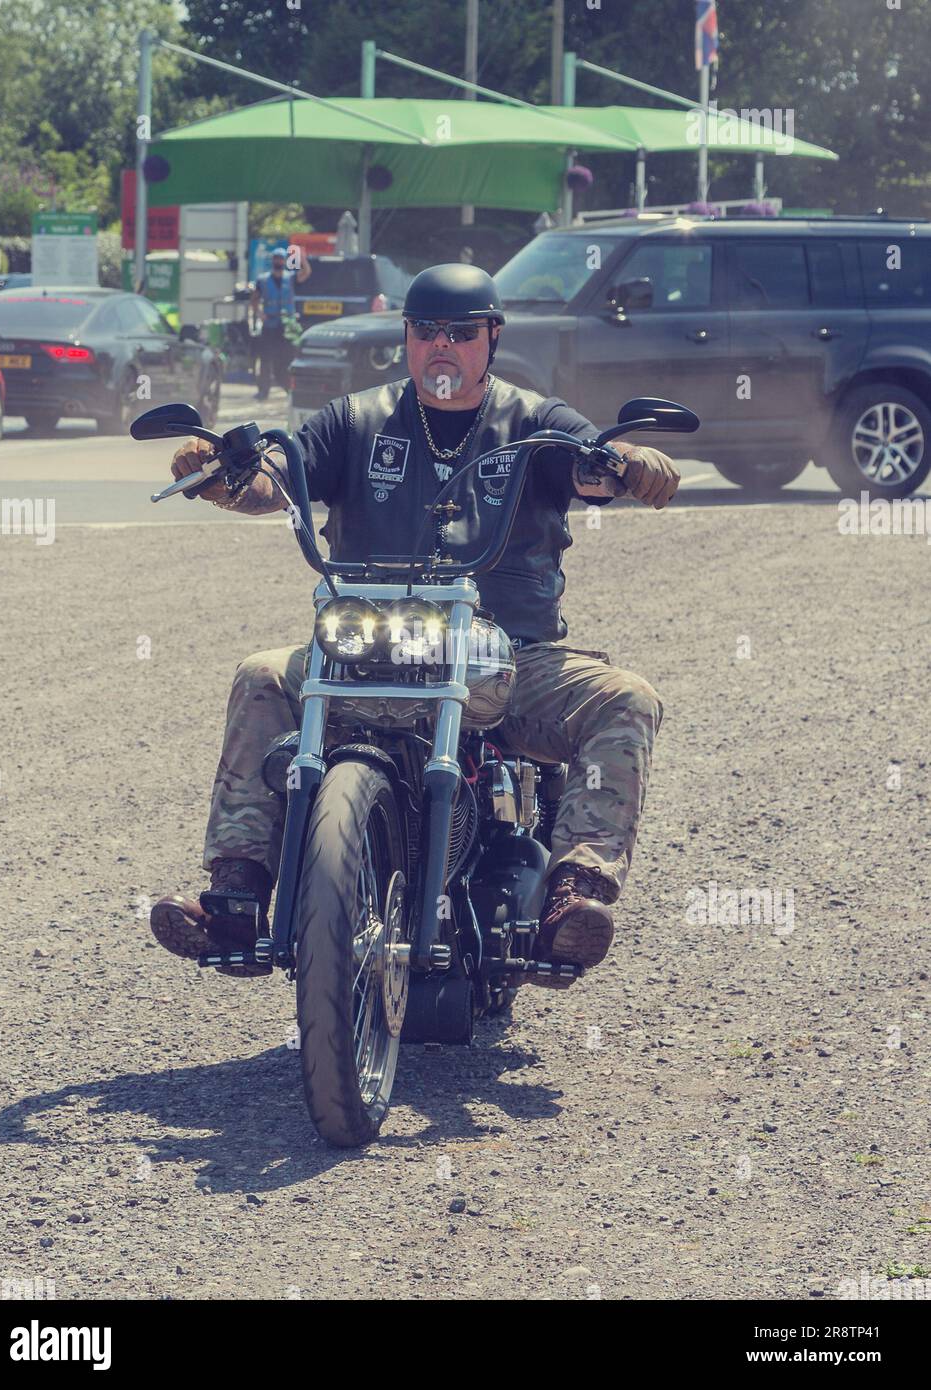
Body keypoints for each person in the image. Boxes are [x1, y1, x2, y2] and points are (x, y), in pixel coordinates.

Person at [151, 263, 680, 987]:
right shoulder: (354, 418)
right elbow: (279, 481)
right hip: (367, 652)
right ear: (404, 337)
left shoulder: (534, 421)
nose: (442, 345)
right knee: (261, 674)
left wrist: (629, 465)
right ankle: (237, 895)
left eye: (461, 332)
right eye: (425, 329)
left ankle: (574, 892)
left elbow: (596, 468)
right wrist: (228, 476)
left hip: (504, 656)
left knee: (626, 696)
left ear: (490, 338)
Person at [250, 245, 311, 400]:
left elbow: (306, 273)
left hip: (287, 325)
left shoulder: (290, 278)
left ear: (284, 260)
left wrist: (302, 258)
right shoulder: (263, 280)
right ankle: (263, 391)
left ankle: (289, 389)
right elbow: (255, 299)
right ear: (272, 260)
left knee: (287, 359)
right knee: (265, 359)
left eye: (281, 258)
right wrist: (259, 313)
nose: (278, 261)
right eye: (276, 258)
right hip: (270, 323)